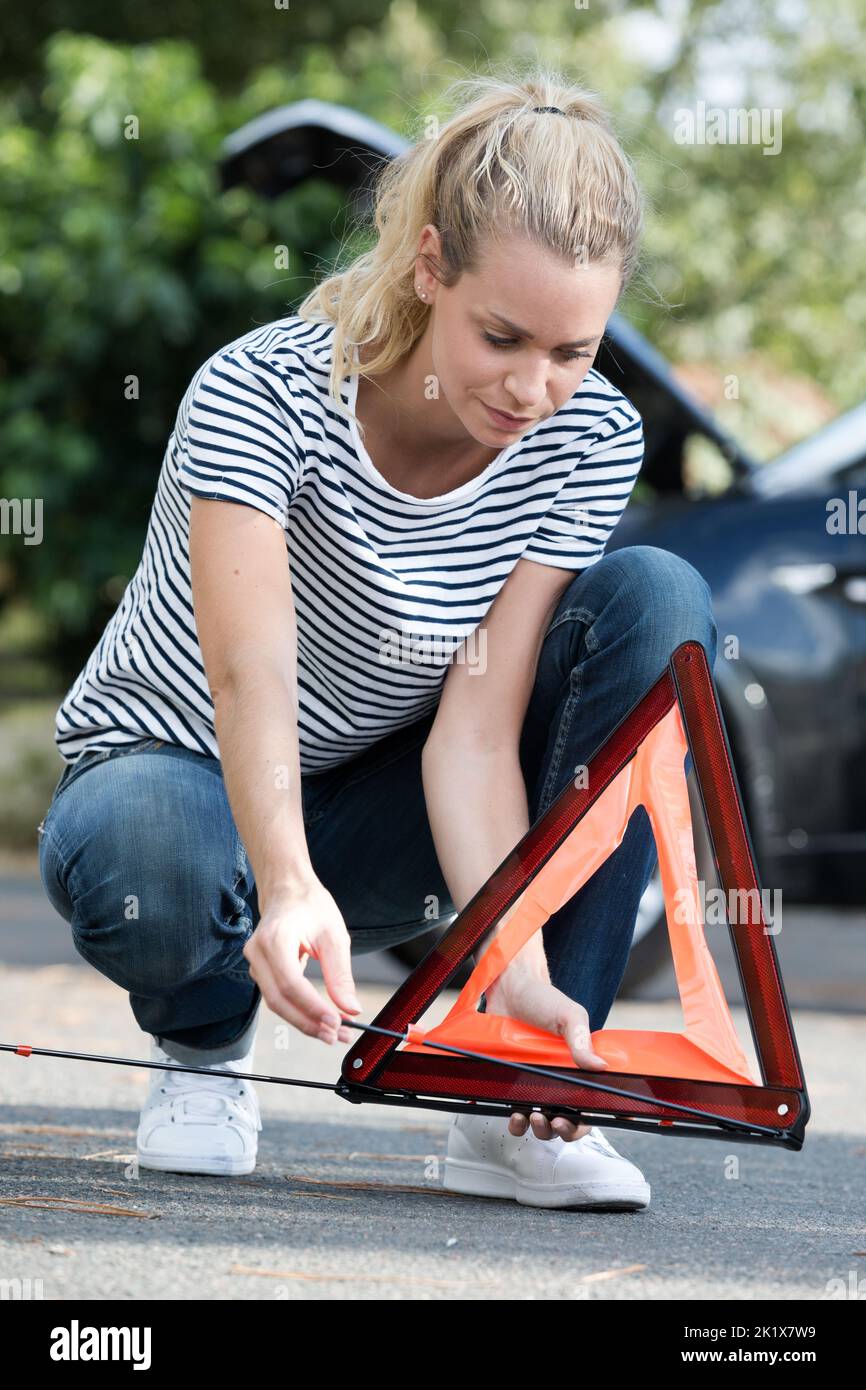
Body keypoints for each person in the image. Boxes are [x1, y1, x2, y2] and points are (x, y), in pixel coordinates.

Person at [37, 67, 717, 1210]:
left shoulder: (586, 435)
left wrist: (515, 970)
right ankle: (204, 1046)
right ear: (430, 263)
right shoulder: (260, 393)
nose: (534, 389)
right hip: (188, 780)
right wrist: (289, 885)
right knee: (154, 848)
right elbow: (251, 675)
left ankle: (531, 1085)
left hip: (377, 802)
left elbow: (475, 732)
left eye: (573, 350)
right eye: (502, 336)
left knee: (657, 595)